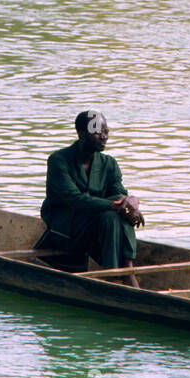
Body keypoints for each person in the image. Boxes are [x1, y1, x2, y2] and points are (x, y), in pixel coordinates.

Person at [39, 111, 144, 285]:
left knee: (121, 208)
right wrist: (118, 205)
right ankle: (120, 272)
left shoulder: (108, 163)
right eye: (97, 132)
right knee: (114, 212)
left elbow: (119, 194)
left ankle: (124, 268)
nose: (104, 137)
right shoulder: (59, 160)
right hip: (65, 229)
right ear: (80, 133)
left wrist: (132, 202)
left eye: (106, 132)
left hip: (96, 227)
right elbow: (75, 200)